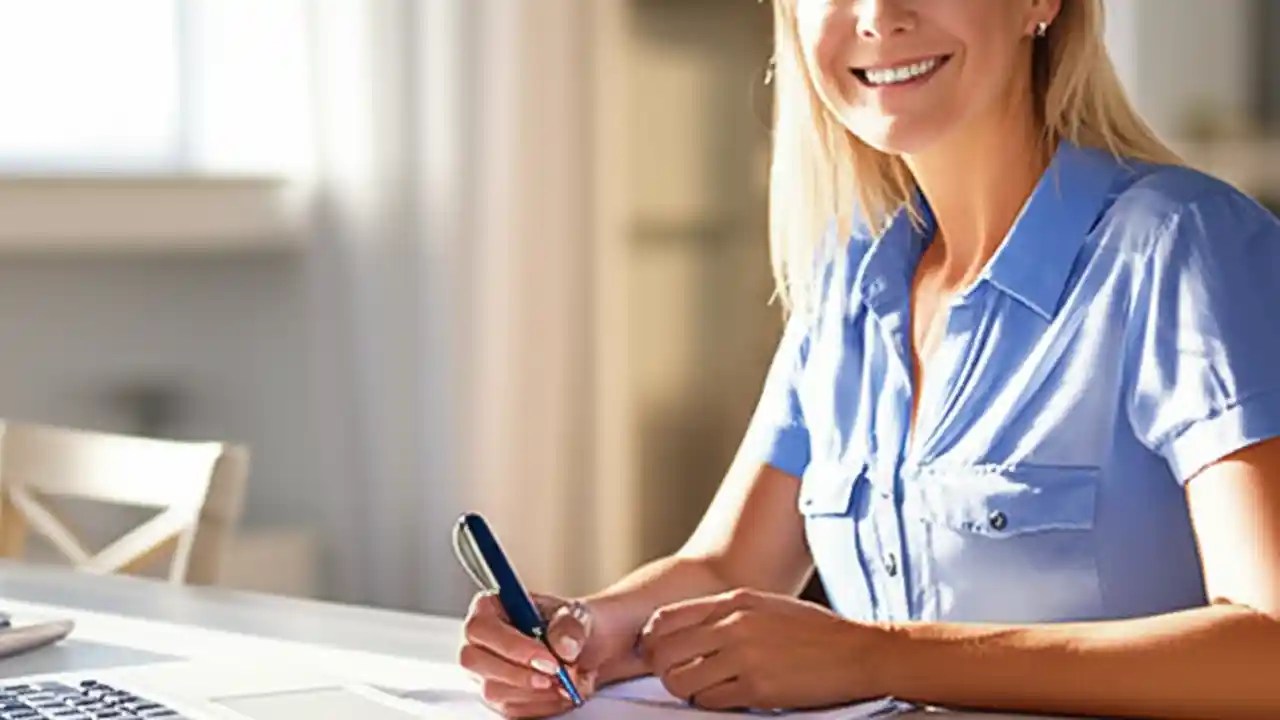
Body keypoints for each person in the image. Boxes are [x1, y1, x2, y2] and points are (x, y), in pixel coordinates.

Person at [459, 1, 1280, 717]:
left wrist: (872, 656)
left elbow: (1269, 647)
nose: (881, 13)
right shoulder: (850, 279)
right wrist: (585, 634)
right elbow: (728, 566)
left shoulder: (1182, 249)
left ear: (1040, 1)